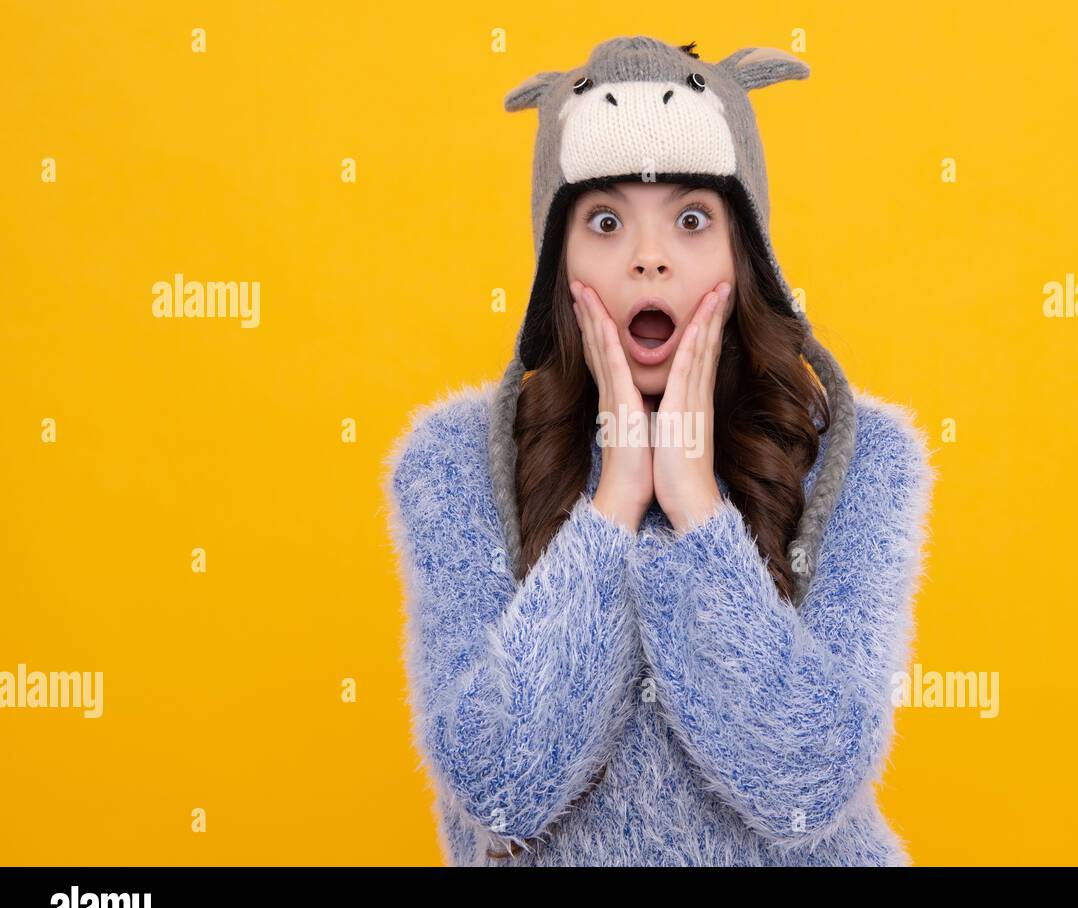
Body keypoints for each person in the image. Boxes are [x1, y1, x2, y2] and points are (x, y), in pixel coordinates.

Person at [382, 35, 936, 866]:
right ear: (554, 261)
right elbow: (498, 792)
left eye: (690, 218)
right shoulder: (453, 464)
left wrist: (694, 506)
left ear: (744, 253)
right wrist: (611, 511)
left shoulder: (862, 462)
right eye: (605, 221)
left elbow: (806, 788)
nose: (650, 256)